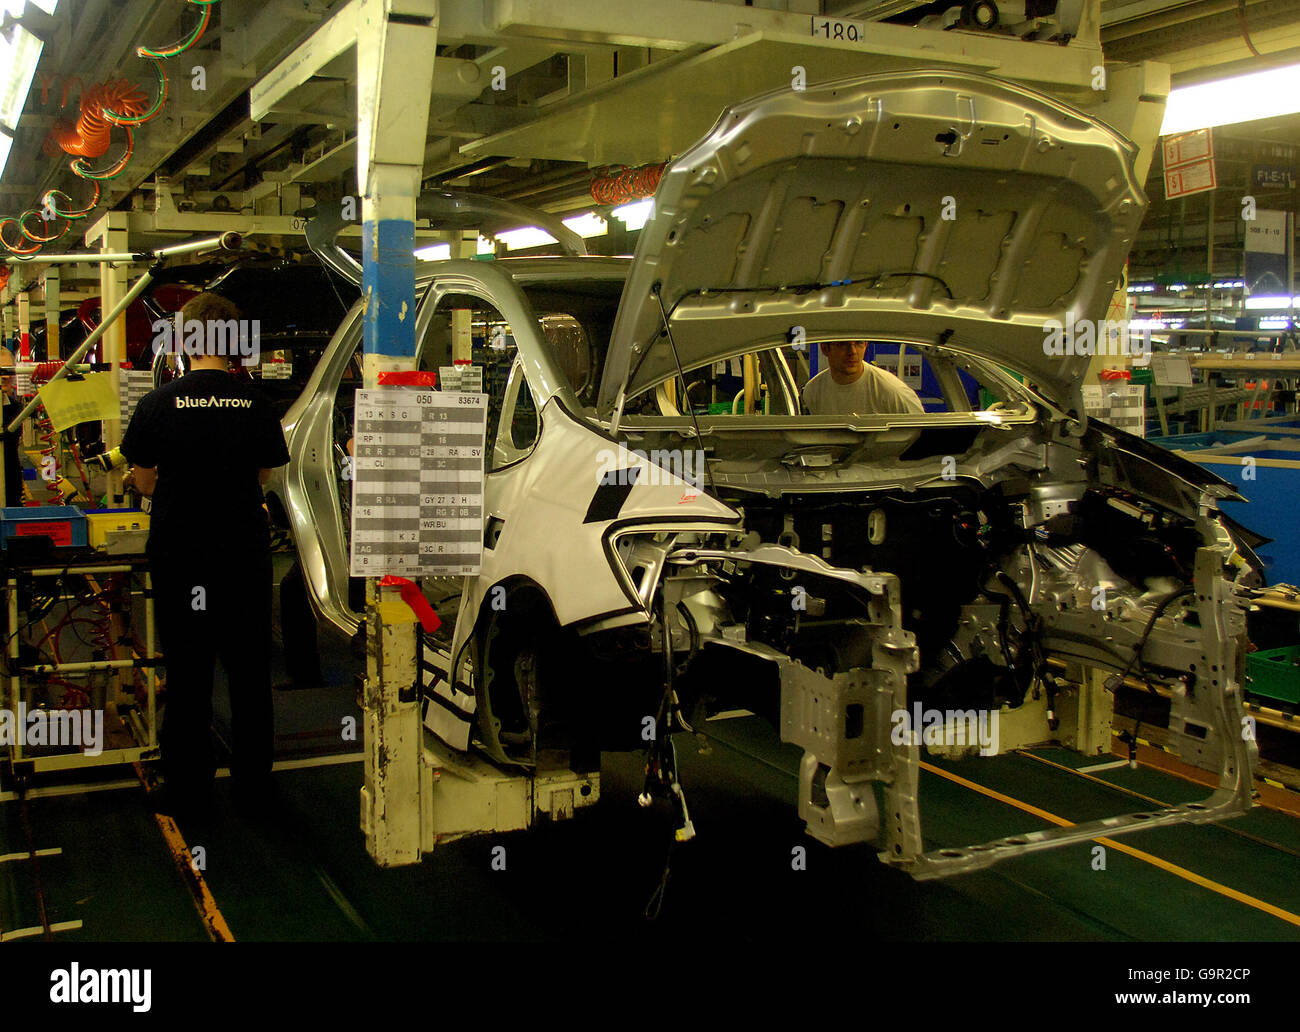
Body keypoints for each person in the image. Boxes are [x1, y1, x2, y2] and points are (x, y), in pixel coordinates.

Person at [120, 292, 290, 817]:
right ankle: (254, 790)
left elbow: (144, 479)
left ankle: (188, 790)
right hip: (241, 554)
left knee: (189, 674)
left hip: (182, 555)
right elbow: (263, 476)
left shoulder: (156, 404)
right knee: (248, 675)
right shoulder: (257, 405)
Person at [802, 340, 925, 416]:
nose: (853, 352)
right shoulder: (813, 391)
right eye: (843, 344)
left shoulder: (892, 391)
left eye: (859, 343)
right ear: (825, 349)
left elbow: (921, 434)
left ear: (866, 345)